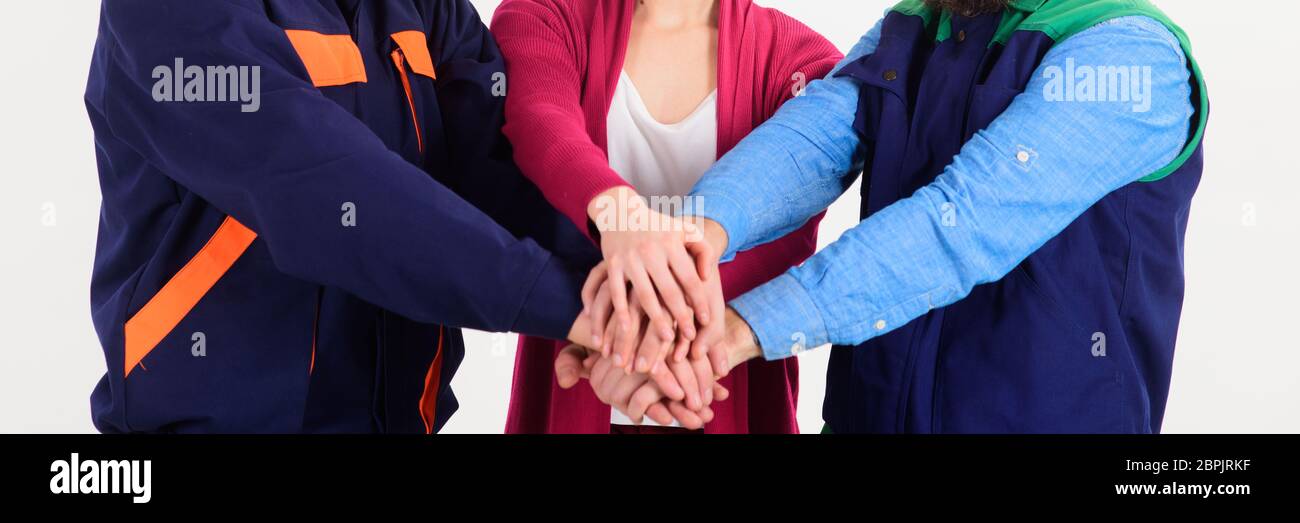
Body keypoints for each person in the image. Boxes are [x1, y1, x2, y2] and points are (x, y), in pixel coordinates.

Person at [570, 0, 1209, 433]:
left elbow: (959, 224)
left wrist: (724, 337)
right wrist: (679, 255)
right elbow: (811, 141)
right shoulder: (918, 22)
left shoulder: (1130, 56)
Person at [84, 0, 617, 433]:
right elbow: (325, 184)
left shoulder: (425, 10)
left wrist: (630, 295)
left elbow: (503, 175)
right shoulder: (164, 11)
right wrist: (581, 310)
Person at [492, 0, 842, 433]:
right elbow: (541, 121)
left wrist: (661, 323)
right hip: (583, 377)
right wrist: (623, 218)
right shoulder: (544, 16)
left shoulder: (804, 61)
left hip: (720, 387)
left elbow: (788, 232)